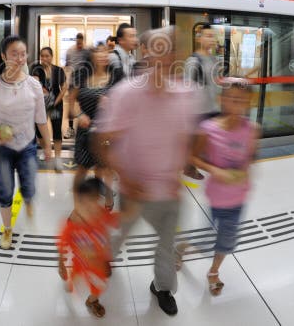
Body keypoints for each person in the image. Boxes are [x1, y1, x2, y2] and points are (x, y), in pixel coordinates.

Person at [95, 27, 197, 316]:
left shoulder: (186, 93)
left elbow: (185, 137)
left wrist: (183, 165)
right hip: (133, 189)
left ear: (176, 54)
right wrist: (124, 176)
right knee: (121, 233)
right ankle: (106, 258)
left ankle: (162, 288)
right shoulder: (126, 94)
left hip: (168, 191)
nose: (163, 56)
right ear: (146, 53)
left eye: (170, 49)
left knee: (166, 243)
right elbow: (101, 139)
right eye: (157, 49)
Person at [0, 35, 52, 249]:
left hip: (28, 145)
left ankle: (28, 201)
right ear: (3, 56)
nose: (20, 59)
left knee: (29, 187)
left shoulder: (34, 85)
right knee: (6, 190)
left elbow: (41, 120)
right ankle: (7, 230)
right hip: (2, 149)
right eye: (14, 54)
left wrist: (47, 146)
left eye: (23, 54)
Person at [187, 78, 258, 296]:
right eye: (232, 99)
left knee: (226, 241)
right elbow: (192, 157)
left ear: (249, 103)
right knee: (204, 240)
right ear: (221, 100)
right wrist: (214, 170)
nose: (237, 105)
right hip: (216, 198)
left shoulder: (252, 129)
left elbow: (250, 158)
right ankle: (181, 249)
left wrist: (244, 172)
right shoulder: (208, 129)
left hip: (238, 199)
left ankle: (213, 271)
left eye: (242, 101)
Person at [57, 178, 117, 318]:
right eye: (84, 204)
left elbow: (108, 232)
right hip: (80, 263)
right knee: (76, 281)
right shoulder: (72, 226)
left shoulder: (101, 215)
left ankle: (92, 301)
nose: (92, 209)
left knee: (100, 286)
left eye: (96, 202)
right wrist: (61, 264)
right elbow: (62, 244)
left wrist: (106, 258)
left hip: (98, 265)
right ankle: (75, 282)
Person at [70, 44, 117, 208]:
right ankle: (77, 204)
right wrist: (79, 114)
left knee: (105, 168)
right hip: (85, 131)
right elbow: (71, 101)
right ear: (92, 56)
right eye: (99, 51)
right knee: (82, 168)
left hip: (106, 132)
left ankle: (108, 197)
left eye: (106, 51)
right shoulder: (82, 75)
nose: (104, 55)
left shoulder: (114, 77)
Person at [184, 23, 222, 180]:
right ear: (199, 38)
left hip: (213, 107)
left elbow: (216, 81)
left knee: (207, 140)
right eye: (208, 36)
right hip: (199, 111)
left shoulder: (214, 59)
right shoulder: (193, 61)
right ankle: (188, 167)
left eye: (213, 36)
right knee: (195, 142)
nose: (211, 39)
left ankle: (201, 162)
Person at [31, 47, 66, 172]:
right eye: (42, 56)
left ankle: (57, 158)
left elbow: (64, 89)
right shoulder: (36, 69)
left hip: (56, 104)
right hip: (40, 105)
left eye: (47, 56)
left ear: (52, 56)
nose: (44, 58)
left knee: (57, 129)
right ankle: (47, 149)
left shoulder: (58, 70)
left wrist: (55, 102)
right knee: (39, 130)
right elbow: (35, 85)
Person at [64, 33, 88, 139]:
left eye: (81, 43)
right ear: (76, 41)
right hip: (73, 81)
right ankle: (70, 129)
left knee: (85, 104)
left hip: (84, 81)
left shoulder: (87, 51)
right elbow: (67, 65)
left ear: (83, 41)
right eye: (77, 43)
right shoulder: (70, 51)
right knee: (71, 106)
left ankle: (85, 128)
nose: (79, 45)